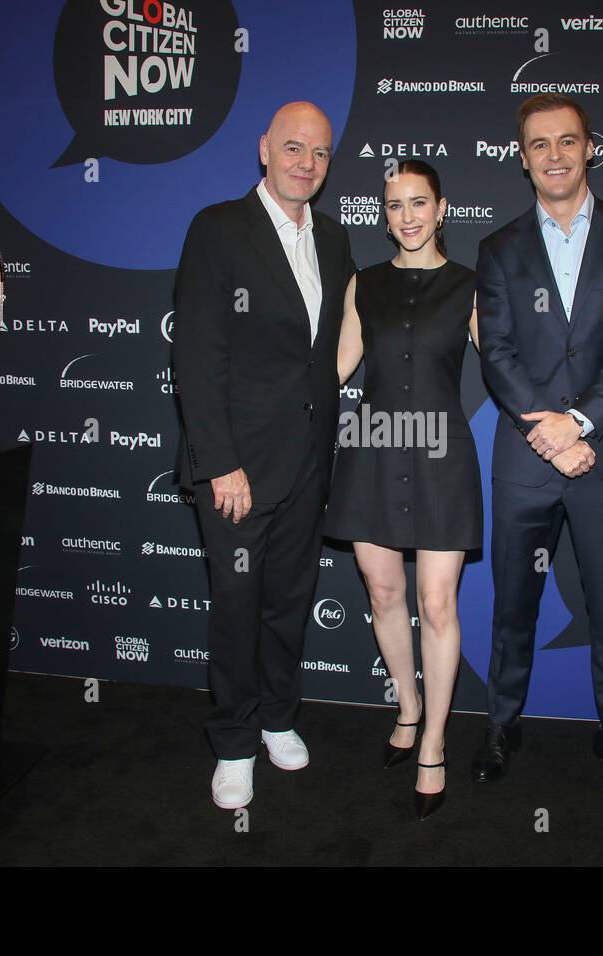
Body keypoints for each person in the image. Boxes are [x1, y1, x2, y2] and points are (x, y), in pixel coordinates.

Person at [474, 94, 603, 796]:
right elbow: (495, 353)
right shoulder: (497, 248)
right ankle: (501, 721)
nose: (554, 155)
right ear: (522, 158)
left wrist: (579, 424)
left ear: (590, 147)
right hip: (527, 459)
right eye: (538, 144)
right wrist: (547, 433)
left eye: (566, 141)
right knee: (511, 604)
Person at [171, 101, 354, 810]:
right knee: (238, 607)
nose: (306, 163)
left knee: (288, 602)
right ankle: (234, 741)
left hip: (310, 461)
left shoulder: (333, 240)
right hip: (238, 470)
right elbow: (195, 352)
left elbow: (328, 346)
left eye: (320, 153)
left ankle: (279, 717)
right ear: (263, 150)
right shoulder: (218, 230)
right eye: (293, 148)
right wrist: (220, 462)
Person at [326, 159, 482, 820]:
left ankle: (435, 743)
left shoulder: (472, 287)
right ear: (383, 214)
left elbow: (507, 370)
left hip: (443, 456)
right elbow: (333, 371)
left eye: (419, 203)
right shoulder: (363, 285)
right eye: (395, 206)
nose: (408, 216)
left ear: (442, 208)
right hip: (373, 453)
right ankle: (409, 707)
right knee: (384, 591)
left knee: (437, 602)